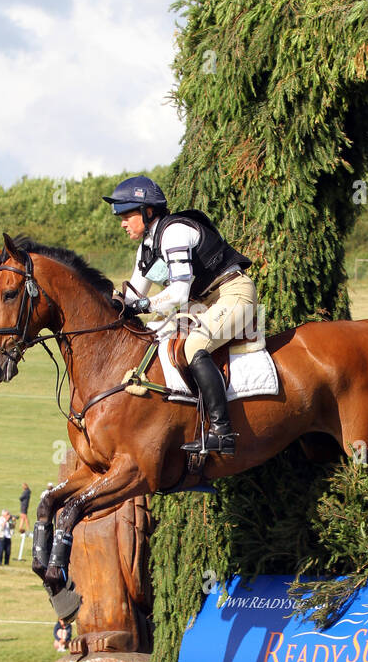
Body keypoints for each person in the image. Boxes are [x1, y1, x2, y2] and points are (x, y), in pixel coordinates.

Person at [104, 176, 257, 456]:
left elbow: (177, 294)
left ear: (148, 211)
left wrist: (141, 305)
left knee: (194, 346)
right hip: (202, 302)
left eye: (127, 215)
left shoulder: (173, 232)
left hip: (232, 293)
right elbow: (133, 293)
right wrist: (108, 299)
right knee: (151, 340)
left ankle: (222, 433)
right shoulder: (147, 247)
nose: (122, 223)